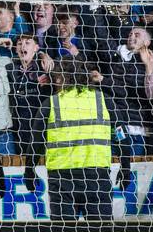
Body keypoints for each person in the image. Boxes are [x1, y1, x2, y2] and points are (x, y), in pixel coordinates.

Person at [44, 59, 114, 220]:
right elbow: (120, 134)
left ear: (61, 78)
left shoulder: (52, 102)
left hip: (62, 178)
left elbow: (34, 141)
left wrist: (29, 169)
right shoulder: (102, 99)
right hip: (96, 176)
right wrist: (126, 166)